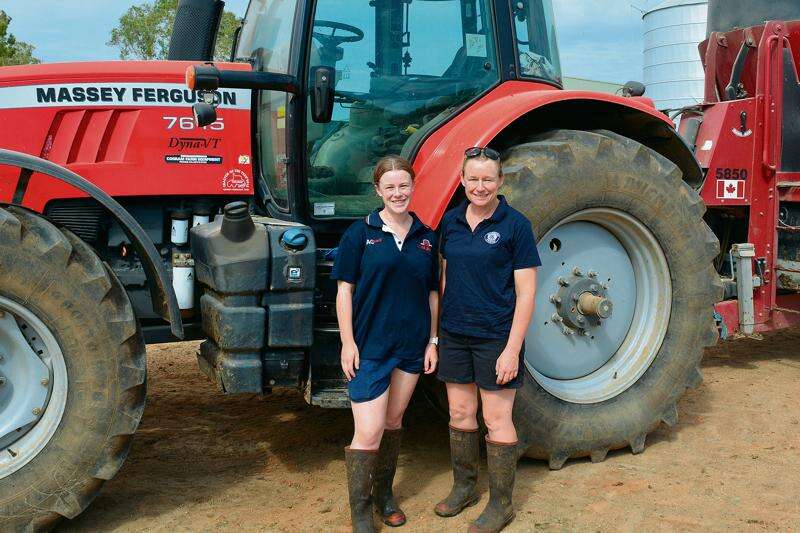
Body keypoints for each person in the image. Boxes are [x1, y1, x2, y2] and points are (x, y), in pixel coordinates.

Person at [434, 147, 540, 533]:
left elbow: (526, 293)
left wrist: (512, 349)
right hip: (455, 334)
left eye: (487, 179)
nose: (480, 187)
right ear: (461, 180)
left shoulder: (516, 225)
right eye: (473, 179)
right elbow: (444, 279)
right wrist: (438, 334)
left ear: (500, 182)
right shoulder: (450, 223)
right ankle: (464, 487)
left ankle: (501, 504)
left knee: (496, 419)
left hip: (496, 336)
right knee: (460, 414)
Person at [332, 155, 440, 532]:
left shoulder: (426, 237)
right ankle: (361, 512)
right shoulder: (359, 234)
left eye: (403, 186)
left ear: (413, 188)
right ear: (378, 190)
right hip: (370, 347)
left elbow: (432, 294)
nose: (398, 193)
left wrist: (432, 341)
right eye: (390, 187)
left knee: (394, 421)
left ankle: (385, 496)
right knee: (368, 430)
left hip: (411, 346)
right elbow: (344, 291)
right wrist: (348, 342)